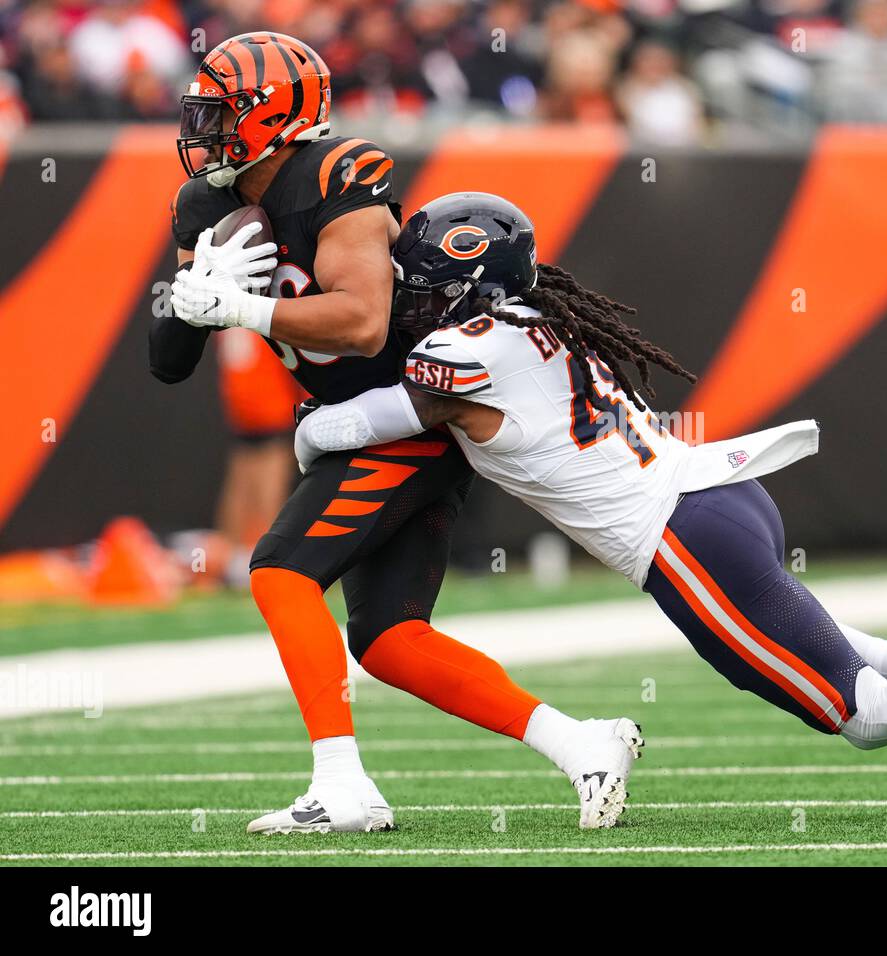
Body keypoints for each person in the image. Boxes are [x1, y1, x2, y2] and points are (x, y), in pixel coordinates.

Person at [295, 192, 887, 788]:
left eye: (420, 283)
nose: (404, 298)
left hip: (679, 536)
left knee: (857, 716)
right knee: (802, 629)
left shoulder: (459, 355)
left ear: (462, 285)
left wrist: (265, 336)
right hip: (720, 492)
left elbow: (354, 424)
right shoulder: (540, 321)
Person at [153, 34, 641, 835]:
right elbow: (167, 361)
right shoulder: (207, 204)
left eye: (222, 112)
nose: (204, 129)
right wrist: (188, 297)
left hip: (408, 410)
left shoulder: (340, 176)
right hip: (351, 425)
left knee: (279, 571)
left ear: (274, 114)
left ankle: (343, 787)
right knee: (388, 639)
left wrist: (242, 308)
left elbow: (363, 320)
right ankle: (584, 744)